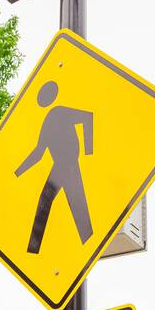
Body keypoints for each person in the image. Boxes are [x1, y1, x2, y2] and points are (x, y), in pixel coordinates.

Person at [15, 80, 94, 254]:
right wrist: (17, 172)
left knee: (76, 205)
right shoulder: (47, 121)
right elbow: (38, 152)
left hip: (69, 164)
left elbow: (88, 117)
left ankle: (88, 244)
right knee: (49, 202)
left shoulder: (59, 112)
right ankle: (33, 250)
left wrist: (89, 152)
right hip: (59, 167)